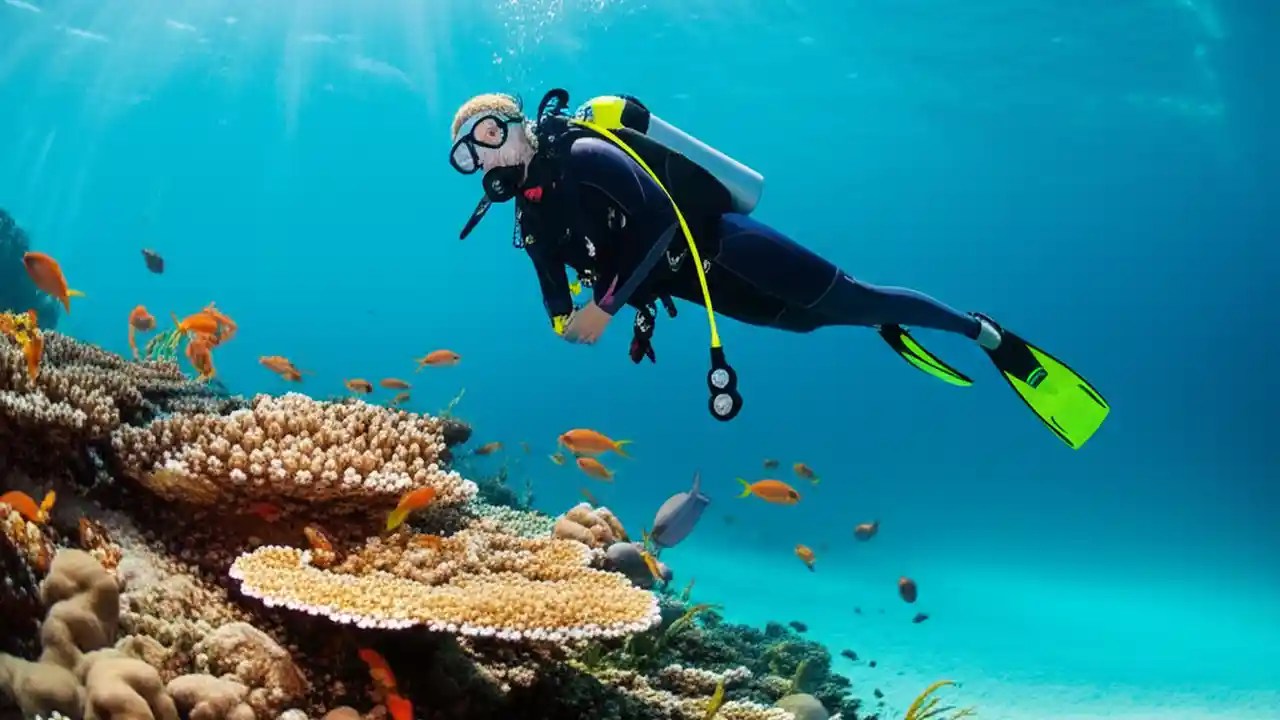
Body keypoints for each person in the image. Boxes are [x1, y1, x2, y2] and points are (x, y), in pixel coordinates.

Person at [447, 89, 1110, 448]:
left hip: (723, 245)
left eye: (490, 135)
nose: (485, 158)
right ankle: (879, 322)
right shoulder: (529, 211)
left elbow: (660, 224)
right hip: (693, 285)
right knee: (806, 325)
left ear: (520, 127)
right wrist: (563, 318)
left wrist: (605, 308)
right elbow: (547, 274)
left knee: (849, 297)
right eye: (468, 155)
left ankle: (984, 334)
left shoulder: (586, 155)